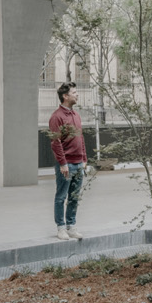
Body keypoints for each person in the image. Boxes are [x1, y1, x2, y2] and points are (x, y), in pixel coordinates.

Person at [48, 81, 88, 240]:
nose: (77, 95)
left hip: (79, 163)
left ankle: (71, 226)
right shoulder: (56, 117)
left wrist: (84, 158)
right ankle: (61, 227)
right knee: (61, 196)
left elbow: (81, 138)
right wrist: (63, 163)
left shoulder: (76, 115)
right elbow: (55, 142)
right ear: (65, 96)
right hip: (66, 164)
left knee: (74, 196)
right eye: (74, 93)